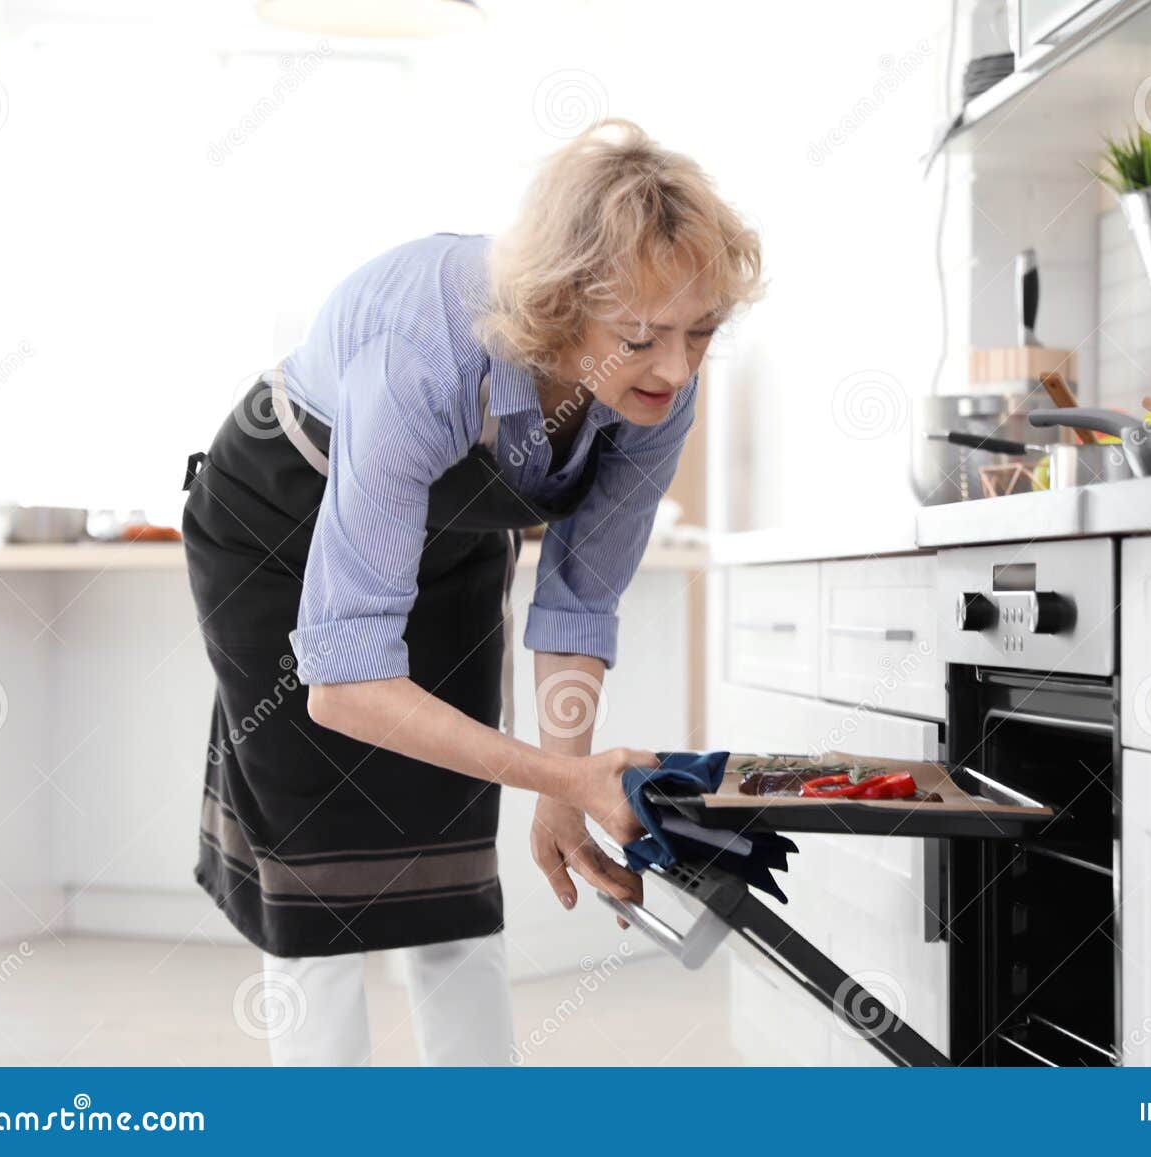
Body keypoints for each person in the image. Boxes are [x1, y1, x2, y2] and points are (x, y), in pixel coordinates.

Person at [180, 119, 762, 1065]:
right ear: (561, 309)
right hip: (276, 527)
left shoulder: (662, 387)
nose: (678, 367)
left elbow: (578, 601)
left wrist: (563, 791)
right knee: (315, 872)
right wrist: (563, 775)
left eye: (702, 332)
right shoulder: (426, 352)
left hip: (451, 540)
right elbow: (346, 686)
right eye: (642, 338)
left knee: (451, 863)